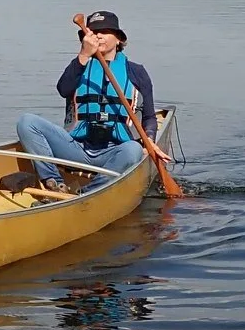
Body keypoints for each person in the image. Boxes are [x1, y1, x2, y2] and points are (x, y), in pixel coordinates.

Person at [15, 10, 172, 193]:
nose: (98, 35)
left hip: (115, 151)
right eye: (94, 31)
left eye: (105, 31)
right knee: (27, 122)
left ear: (119, 39)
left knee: (133, 150)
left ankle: (88, 193)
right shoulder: (80, 65)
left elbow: (149, 117)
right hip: (77, 148)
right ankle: (54, 181)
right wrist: (83, 56)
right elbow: (63, 89)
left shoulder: (136, 72)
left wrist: (150, 140)